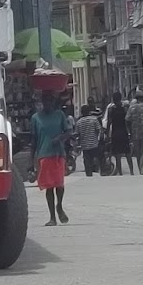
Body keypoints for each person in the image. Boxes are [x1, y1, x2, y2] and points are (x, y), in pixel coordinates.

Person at [30, 92, 73, 225]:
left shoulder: (59, 115)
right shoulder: (35, 118)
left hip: (58, 154)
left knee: (59, 184)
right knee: (49, 187)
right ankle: (52, 217)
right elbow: (34, 140)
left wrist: (59, 138)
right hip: (44, 154)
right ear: (42, 102)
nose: (47, 103)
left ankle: (59, 205)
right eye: (45, 101)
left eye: (50, 101)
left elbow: (68, 131)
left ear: (53, 102)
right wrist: (31, 160)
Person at [105, 91, 133, 175]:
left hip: (115, 133)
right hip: (123, 132)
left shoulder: (111, 110)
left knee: (117, 154)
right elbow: (128, 122)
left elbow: (109, 123)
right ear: (120, 98)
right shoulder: (125, 109)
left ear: (113, 100)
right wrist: (130, 133)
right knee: (127, 153)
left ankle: (120, 173)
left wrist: (107, 134)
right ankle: (131, 171)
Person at [74, 103, 105, 176]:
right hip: (94, 144)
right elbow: (99, 130)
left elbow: (77, 134)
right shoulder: (94, 119)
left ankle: (89, 174)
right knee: (100, 157)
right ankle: (103, 171)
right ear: (89, 112)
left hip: (85, 146)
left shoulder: (79, 122)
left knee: (87, 161)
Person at [126, 91, 143, 175]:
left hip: (135, 134)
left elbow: (127, 120)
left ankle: (140, 168)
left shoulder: (131, 108)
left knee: (138, 153)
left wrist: (130, 132)